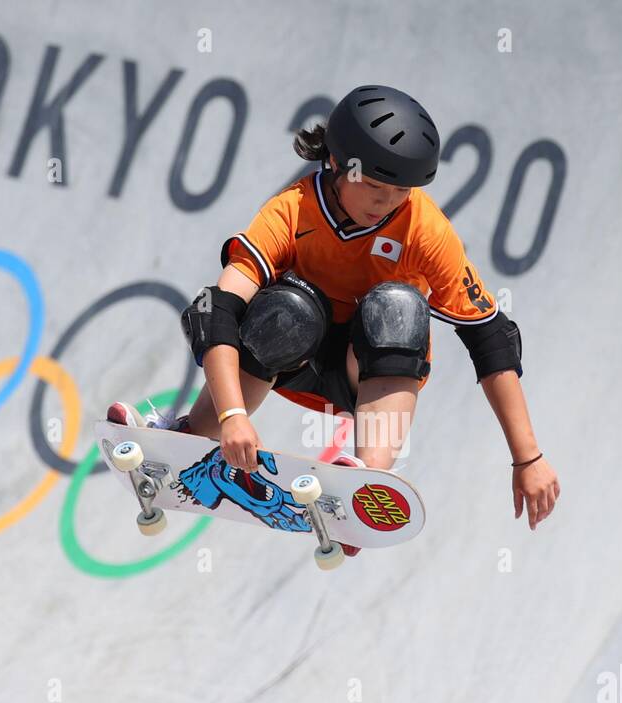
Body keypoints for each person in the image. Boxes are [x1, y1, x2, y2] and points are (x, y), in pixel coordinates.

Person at [109, 85, 558, 555]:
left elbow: (490, 339)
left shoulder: (426, 230)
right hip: (288, 361)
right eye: (375, 186)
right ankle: (190, 436)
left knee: (399, 307)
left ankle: (368, 480)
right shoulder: (293, 209)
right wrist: (232, 415)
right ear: (338, 164)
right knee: (286, 307)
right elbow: (218, 311)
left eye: (401, 191)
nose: (386, 202)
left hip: (364, 375)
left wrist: (527, 457)